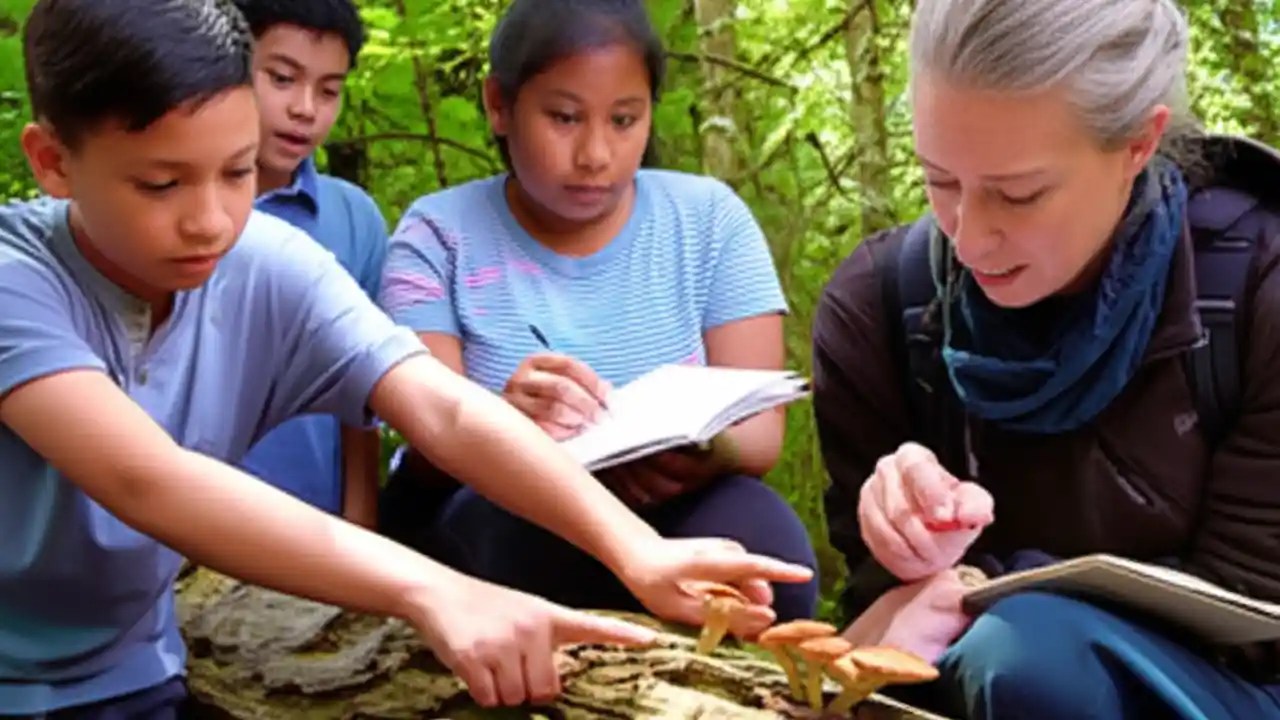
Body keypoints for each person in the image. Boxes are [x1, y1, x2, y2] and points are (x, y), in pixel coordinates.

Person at [0, 1, 813, 717]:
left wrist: (635, 549)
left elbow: (443, 404)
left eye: (239, 172)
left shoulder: (265, 263)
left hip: (133, 672)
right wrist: (439, 591)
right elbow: (150, 481)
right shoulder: (15, 281)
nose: (210, 220)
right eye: (160, 185)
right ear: (52, 162)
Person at [812, 0, 1280, 718]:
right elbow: (883, 632)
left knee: (1029, 660)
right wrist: (909, 553)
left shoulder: (1259, 289)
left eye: (1018, 194)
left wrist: (984, 582)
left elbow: (1254, 621)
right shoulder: (878, 310)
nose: (968, 240)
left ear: (1137, 144)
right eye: (939, 180)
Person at [377, 0, 820, 621]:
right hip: (500, 506)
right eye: (563, 118)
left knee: (772, 565)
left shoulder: (708, 220)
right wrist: (505, 420)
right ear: (499, 105)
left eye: (623, 120)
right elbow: (425, 440)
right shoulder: (437, 235)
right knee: (507, 555)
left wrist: (700, 451)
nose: (595, 154)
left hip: (674, 497)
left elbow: (760, 431)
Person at [230, 0, 385, 525]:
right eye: (281, 78)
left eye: (329, 90)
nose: (305, 108)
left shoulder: (354, 219)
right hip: (187, 533)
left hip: (317, 527)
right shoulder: (174, 211)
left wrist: (362, 529)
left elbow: (362, 401)